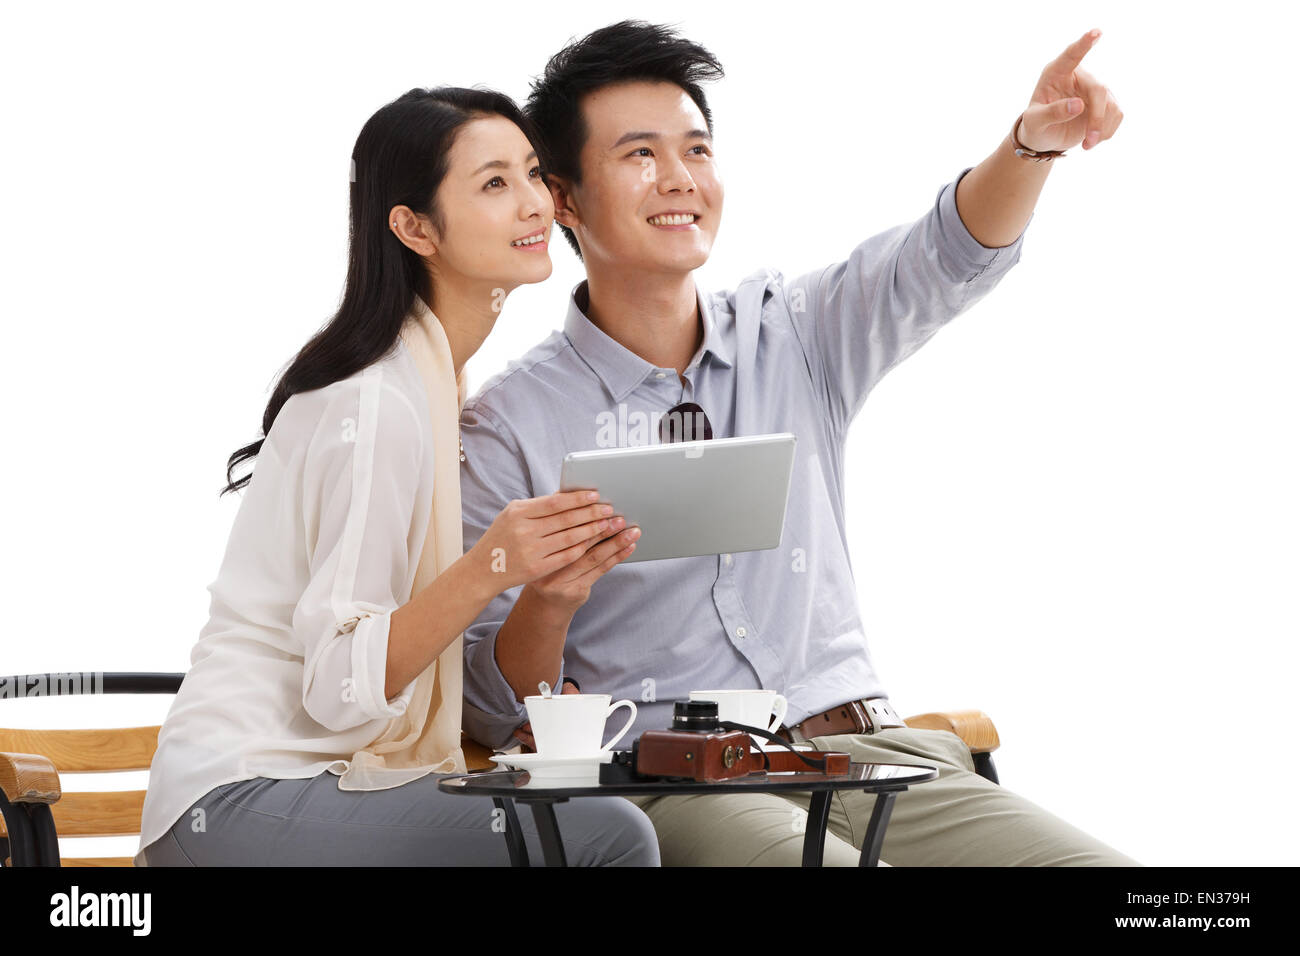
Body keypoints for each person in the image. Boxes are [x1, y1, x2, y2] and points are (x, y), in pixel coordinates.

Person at [457, 20, 1136, 865]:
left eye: (697, 151)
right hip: (676, 784)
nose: (679, 179)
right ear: (562, 198)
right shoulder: (507, 423)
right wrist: (550, 599)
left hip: (868, 759)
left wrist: (1030, 145)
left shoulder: (796, 335)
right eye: (639, 155)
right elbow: (485, 706)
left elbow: (943, 255)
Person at [135, 86, 658, 866]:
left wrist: (546, 595)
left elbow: (468, 700)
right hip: (243, 795)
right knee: (607, 835)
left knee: (583, 817)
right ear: (414, 228)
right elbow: (339, 686)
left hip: (326, 788)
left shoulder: (438, 390)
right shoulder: (377, 402)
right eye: (493, 183)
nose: (534, 203)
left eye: (531, 173)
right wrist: (492, 566)